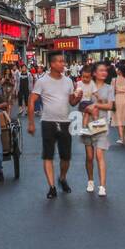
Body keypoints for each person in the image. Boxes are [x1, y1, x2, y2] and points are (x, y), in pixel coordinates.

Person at [28, 51, 81, 198]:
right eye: (59, 61)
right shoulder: (42, 81)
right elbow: (31, 100)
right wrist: (31, 123)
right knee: (48, 156)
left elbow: (72, 102)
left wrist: (78, 99)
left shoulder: (68, 81)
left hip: (65, 123)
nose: (63, 64)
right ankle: (51, 187)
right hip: (48, 122)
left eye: (63, 61)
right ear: (52, 64)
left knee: (66, 157)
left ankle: (62, 178)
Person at [82, 63, 114, 196]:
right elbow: (82, 105)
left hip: (101, 123)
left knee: (99, 155)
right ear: (94, 73)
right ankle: (90, 181)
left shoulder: (109, 88)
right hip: (87, 123)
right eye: (101, 70)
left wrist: (96, 105)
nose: (104, 72)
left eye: (105, 70)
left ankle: (102, 186)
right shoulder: (87, 86)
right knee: (89, 156)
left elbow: (110, 106)